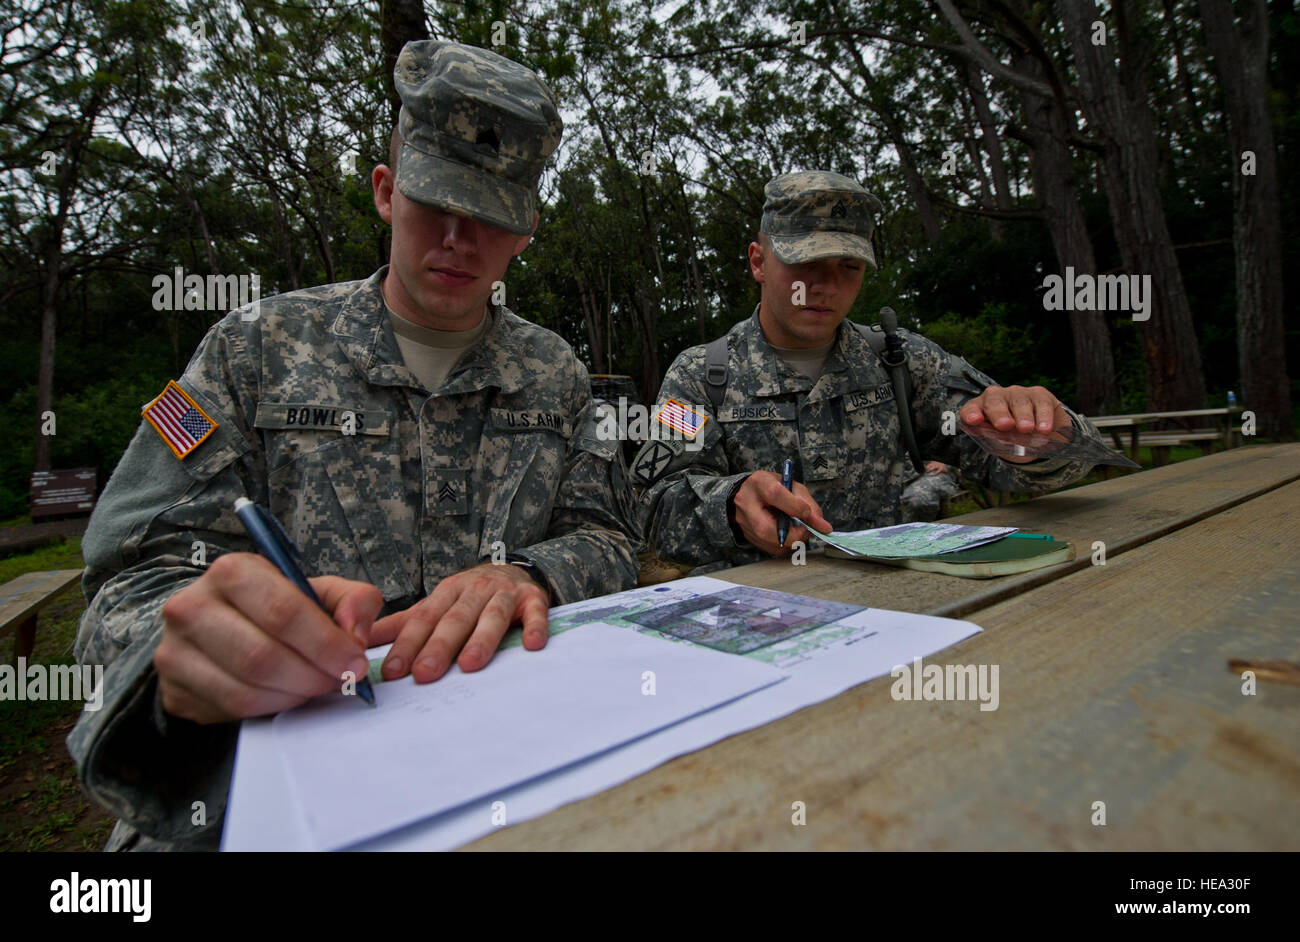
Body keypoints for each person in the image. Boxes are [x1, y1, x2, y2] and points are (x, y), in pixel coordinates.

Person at [68, 40, 639, 851]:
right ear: (384, 191)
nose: (456, 237)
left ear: (528, 229)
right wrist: (179, 644)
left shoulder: (556, 372)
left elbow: (610, 534)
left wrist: (530, 572)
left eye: (490, 215)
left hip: (503, 781)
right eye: (433, 200)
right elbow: (120, 577)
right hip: (257, 803)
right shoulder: (252, 349)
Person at [633, 170, 1103, 571]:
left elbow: (1055, 465)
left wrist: (1035, 441)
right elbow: (654, 507)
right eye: (804, 262)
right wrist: (732, 504)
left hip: (898, 611)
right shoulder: (700, 375)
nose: (825, 286)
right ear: (758, 261)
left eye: (849, 266)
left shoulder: (903, 362)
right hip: (760, 620)